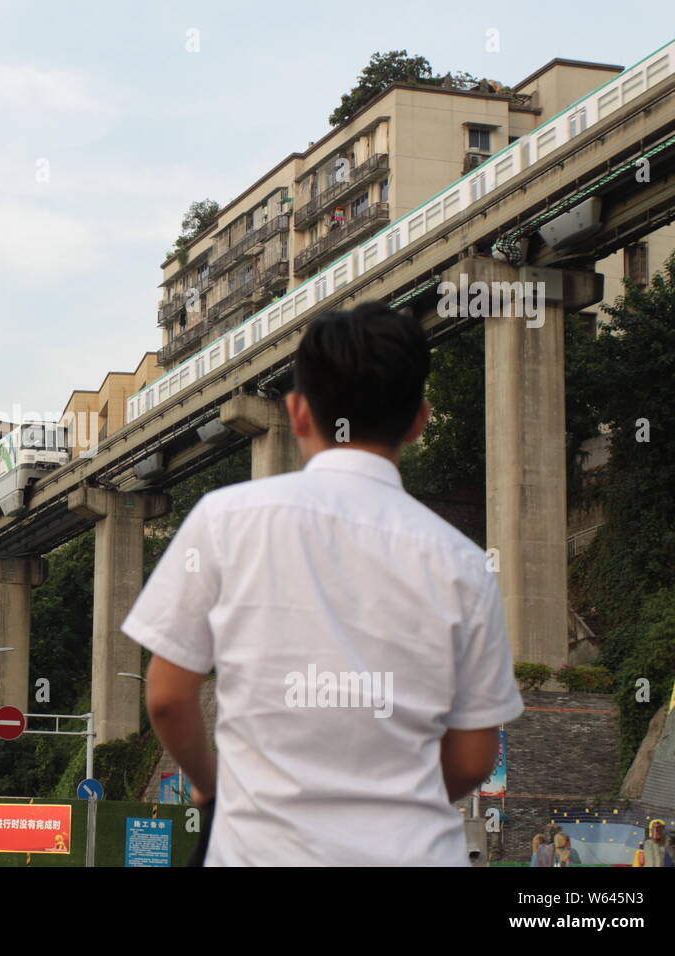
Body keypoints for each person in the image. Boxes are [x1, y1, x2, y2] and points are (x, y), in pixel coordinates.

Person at [122, 301, 525, 866]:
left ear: (299, 413)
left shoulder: (225, 520)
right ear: (420, 420)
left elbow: (167, 698)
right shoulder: (464, 563)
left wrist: (215, 787)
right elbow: (475, 756)